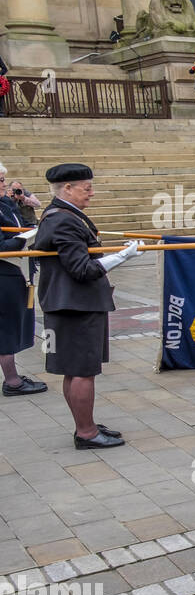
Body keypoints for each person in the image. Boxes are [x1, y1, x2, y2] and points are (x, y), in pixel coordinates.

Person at [33, 164, 141, 448]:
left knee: (75, 369)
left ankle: (86, 424)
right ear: (67, 188)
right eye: (87, 187)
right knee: (82, 370)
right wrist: (122, 257)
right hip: (75, 305)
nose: (91, 193)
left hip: (70, 303)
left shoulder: (59, 214)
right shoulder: (63, 220)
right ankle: (86, 432)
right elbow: (82, 269)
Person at [0, 171, 45, 398]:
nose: (4, 184)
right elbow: (2, 246)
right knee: (6, 328)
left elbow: (20, 223)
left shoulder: (4, 204)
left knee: (13, 324)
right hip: (4, 272)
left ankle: (13, 377)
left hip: (16, 270)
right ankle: (12, 381)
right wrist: (26, 238)